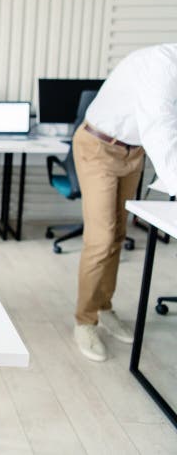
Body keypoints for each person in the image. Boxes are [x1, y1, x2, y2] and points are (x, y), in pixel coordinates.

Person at [72, 43, 177, 362]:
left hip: (133, 152)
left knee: (118, 235)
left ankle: (104, 307)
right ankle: (85, 320)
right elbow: (161, 130)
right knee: (101, 239)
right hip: (98, 147)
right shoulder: (161, 65)